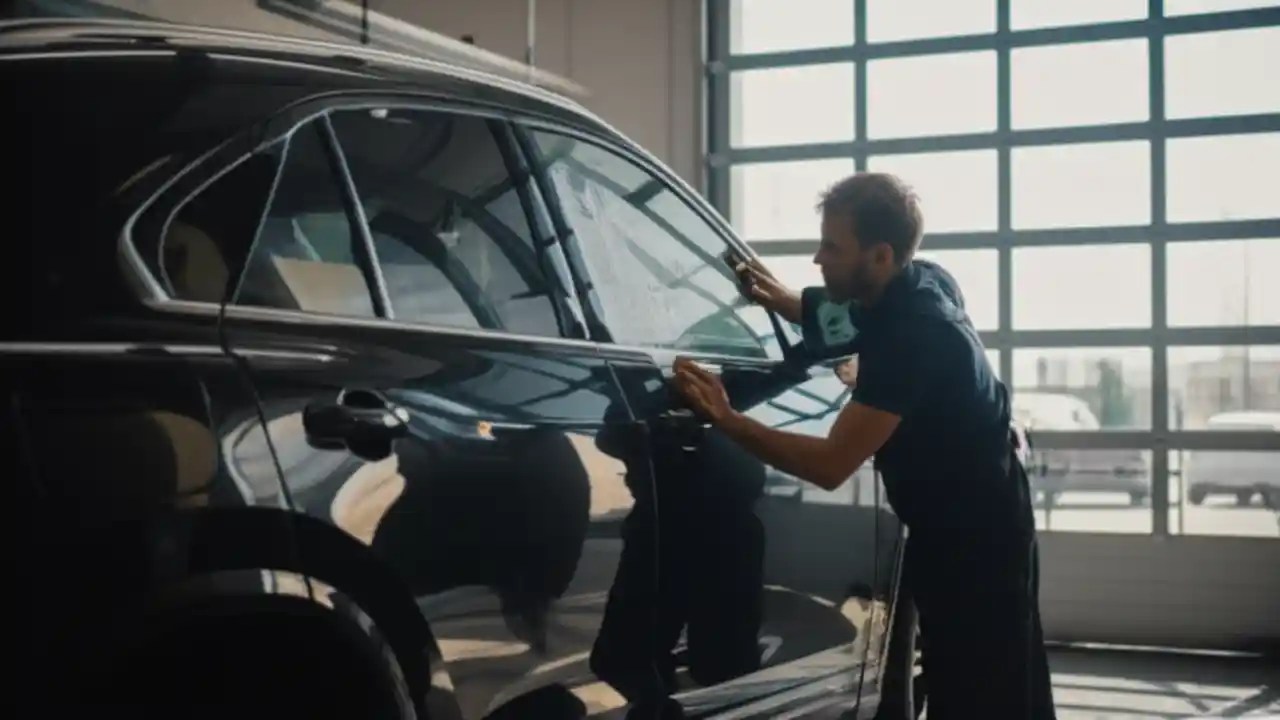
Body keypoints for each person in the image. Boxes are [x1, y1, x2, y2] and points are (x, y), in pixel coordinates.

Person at [673, 172, 1056, 719]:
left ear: (879, 255)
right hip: (983, 520)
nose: (816, 258)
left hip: (976, 547)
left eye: (831, 246)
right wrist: (786, 300)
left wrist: (728, 419)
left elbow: (831, 464)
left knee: (981, 697)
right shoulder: (923, 278)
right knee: (1000, 687)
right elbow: (850, 316)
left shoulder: (914, 338)